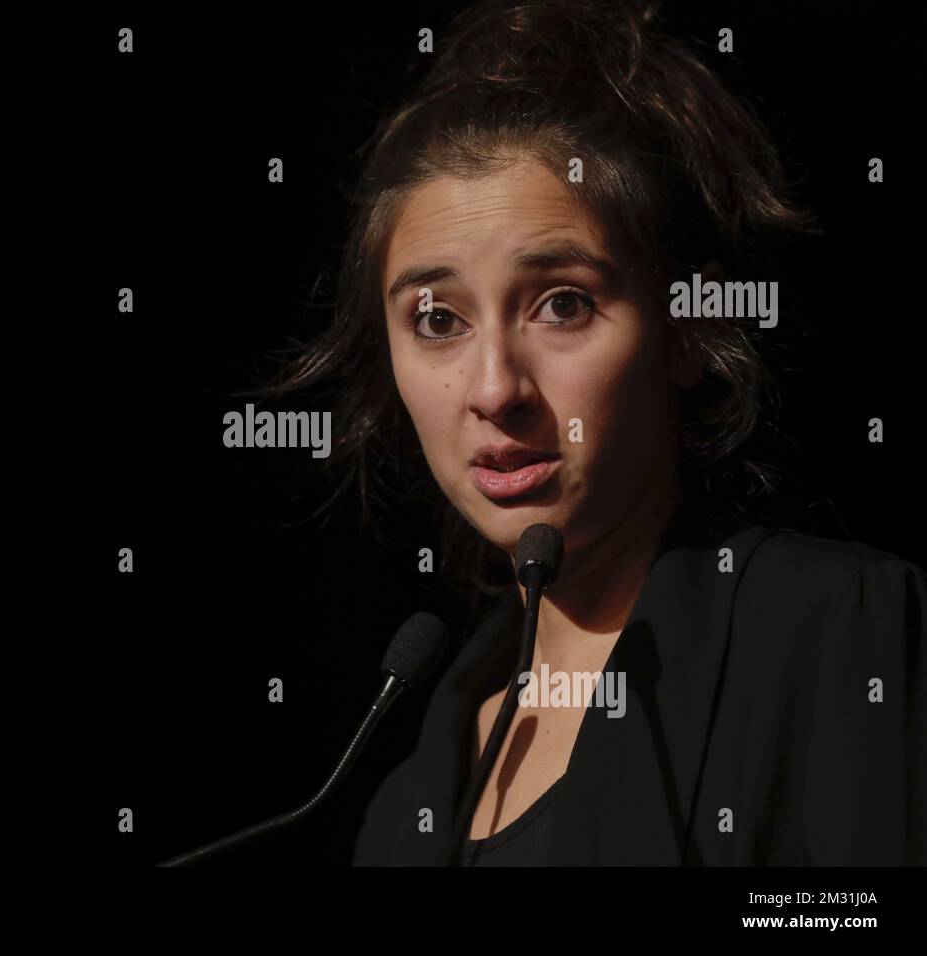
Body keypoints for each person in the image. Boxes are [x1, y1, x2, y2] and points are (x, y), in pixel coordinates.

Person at [250, 0, 927, 865]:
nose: (494, 389)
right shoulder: (399, 807)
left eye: (562, 304)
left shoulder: (838, 634)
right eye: (437, 319)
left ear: (686, 330)